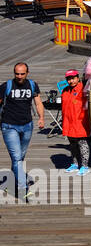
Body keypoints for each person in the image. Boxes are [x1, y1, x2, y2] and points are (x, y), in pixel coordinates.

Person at [2, 61, 45, 202]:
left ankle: (12, 182)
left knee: (20, 157)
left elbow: (38, 102)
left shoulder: (32, 85)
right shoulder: (6, 86)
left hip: (27, 126)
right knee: (17, 158)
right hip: (9, 126)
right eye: (17, 73)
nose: (19, 76)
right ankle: (22, 189)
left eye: (22, 73)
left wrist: (41, 118)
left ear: (27, 73)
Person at [62, 69, 90, 174]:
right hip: (68, 122)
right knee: (72, 144)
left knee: (82, 143)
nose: (71, 81)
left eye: (73, 78)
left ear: (78, 78)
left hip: (80, 121)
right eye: (69, 79)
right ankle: (75, 164)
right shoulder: (65, 90)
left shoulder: (84, 89)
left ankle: (85, 166)